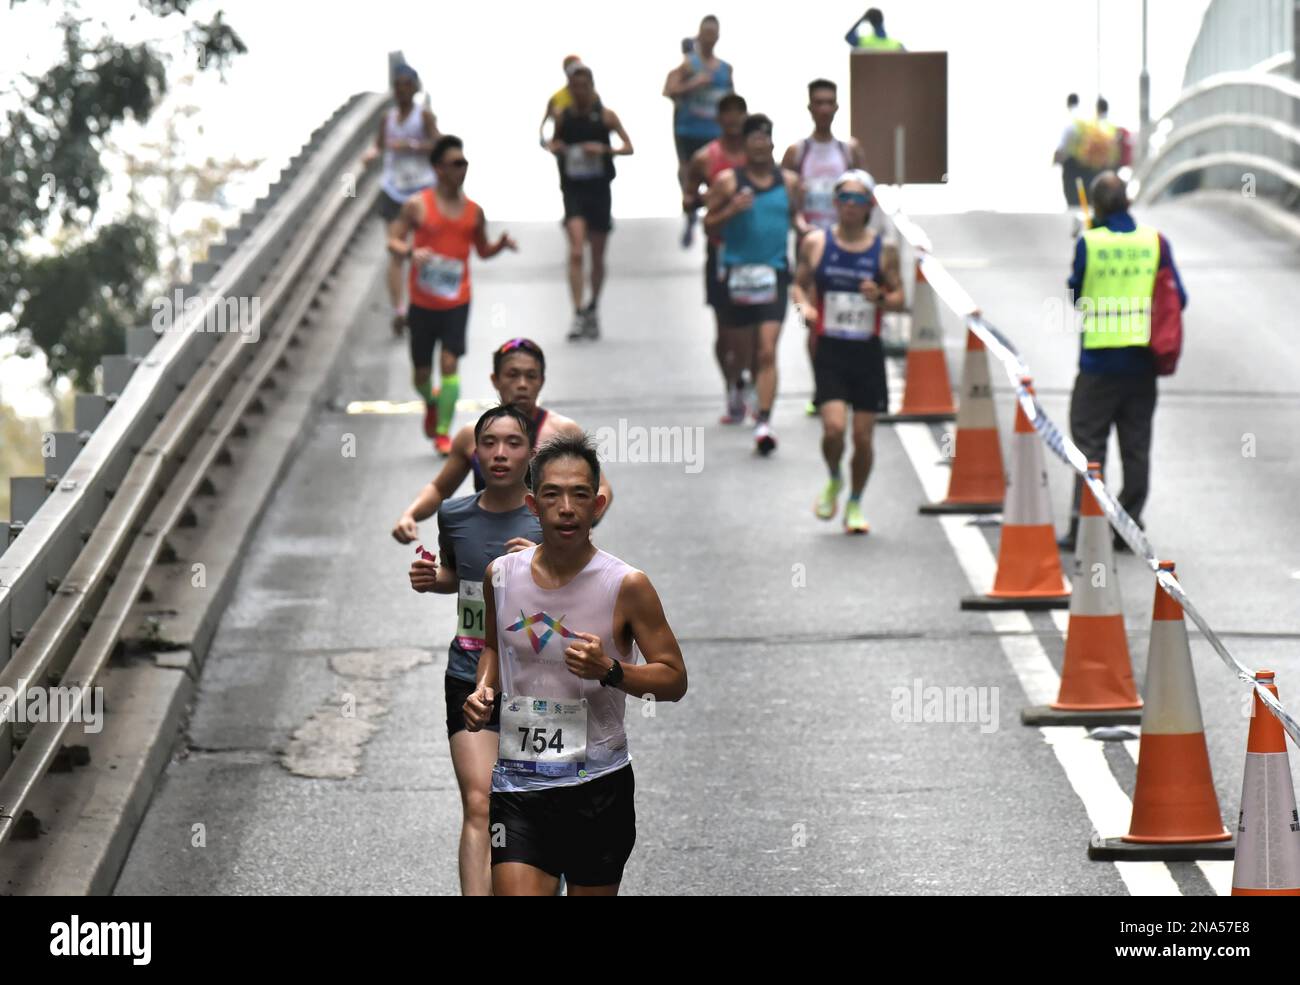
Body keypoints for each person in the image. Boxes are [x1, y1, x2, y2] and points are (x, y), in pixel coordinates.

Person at [463, 433, 688, 896]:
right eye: (552, 494)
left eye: (579, 494)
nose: (566, 507)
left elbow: (673, 679)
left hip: (598, 787)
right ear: (532, 503)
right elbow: (491, 647)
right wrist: (483, 689)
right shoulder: (501, 577)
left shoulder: (626, 585)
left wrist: (610, 669)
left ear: (597, 503)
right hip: (519, 783)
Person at [407, 405, 541, 895]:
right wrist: (432, 579)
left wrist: (537, 562)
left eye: (512, 443)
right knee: (480, 802)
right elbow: (460, 577)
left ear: (530, 453)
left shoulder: (550, 517)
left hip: (539, 683)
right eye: (489, 443)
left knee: (539, 804)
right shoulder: (454, 513)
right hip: (469, 673)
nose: (499, 453)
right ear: (475, 452)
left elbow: (580, 592)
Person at [1058, 172, 1187, 553]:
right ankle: (1128, 523)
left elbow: (1077, 294)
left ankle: (1085, 526)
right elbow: (1178, 298)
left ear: (1095, 207)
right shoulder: (1155, 242)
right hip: (1142, 364)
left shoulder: (1089, 243)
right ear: (1129, 202)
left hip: (1098, 363)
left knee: (1088, 447)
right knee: (1136, 446)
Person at [391, 338, 614, 544]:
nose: (522, 384)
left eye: (531, 376)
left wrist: (583, 524)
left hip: (550, 550)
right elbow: (440, 489)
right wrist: (409, 515)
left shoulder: (563, 431)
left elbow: (601, 486)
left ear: (542, 381)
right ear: (495, 380)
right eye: (512, 375)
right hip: (491, 544)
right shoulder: (472, 436)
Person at [388, 136, 518, 455]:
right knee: (420, 374)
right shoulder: (417, 205)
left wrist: (499, 246)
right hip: (422, 302)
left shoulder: (474, 212)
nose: (462, 169)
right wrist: (410, 252)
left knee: (449, 362)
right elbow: (393, 239)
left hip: (457, 301)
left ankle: (443, 432)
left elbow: (482, 250)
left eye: (464, 163)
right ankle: (431, 402)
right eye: (455, 163)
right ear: (438, 169)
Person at [792, 171, 904, 534]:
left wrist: (882, 297)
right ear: (835, 204)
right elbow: (799, 286)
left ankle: (855, 501)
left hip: (867, 353)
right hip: (830, 349)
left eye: (858, 200)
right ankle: (834, 476)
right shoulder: (816, 243)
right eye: (844, 199)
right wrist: (805, 309)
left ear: (869, 206)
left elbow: (901, 298)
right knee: (834, 429)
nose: (850, 206)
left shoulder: (883, 250)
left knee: (862, 437)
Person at [704, 113, 804, 456]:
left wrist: (805, 230)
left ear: (773, 142)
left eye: (766, 138)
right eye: (754, 139)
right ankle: (736, 384)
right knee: (741, 353)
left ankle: (764, 421)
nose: (761, 145)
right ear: (744, 145)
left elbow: (795, 217)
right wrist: (731, 209)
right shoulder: (729, 182)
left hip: (774, 273)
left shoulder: (789, 182)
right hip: (738, 275)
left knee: (767, 351)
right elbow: (709, 224)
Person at [780, 79, 874, 416]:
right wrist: (800, 226)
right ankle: (823, 387)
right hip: (811, 246)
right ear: (810, 108)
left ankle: (843, 385)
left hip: (845, 245)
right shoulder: (797, 152)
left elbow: (866, 193)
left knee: (846, 317)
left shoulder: (848, 151)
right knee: (814, 320)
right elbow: (782, 197)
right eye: (818, 102)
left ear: (836, 107)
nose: (824, 109)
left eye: (829, 102)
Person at [548, 66, 633, 342]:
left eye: (584, 87)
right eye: (575, 87)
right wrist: (557, 148)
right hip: (573, 190)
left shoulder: (606, 117)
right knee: (575, 251)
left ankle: (593, 306)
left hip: (599, 190)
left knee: (596, 255)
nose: (580, 92)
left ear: (592, 87)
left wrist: (604, 150)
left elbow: (628, 146)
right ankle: (577, 311)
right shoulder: (564, 117)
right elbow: (553, 142)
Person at [684, 92, 752, 423]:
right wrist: (701, 200)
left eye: (738, 114)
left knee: (754, 325)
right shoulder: (706, 158)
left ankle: (748, 379)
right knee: (724, 330)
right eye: (727, 114)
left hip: (754, 250)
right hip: (721, 250)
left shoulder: (757, 156)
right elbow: (688, 194)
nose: (733, 120)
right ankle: (732, 384)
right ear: (719, 119)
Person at [363, 64, 440, 335]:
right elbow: (379, 144)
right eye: (398, 85)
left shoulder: (424, 116)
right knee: (395, 249)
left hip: (421, 189)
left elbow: (438, 145)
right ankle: (399, 310)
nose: (402, 90)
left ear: (415, 87)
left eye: (407, 85)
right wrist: (371, 154)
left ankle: (428, 306)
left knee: (425, 251)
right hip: (394, 188)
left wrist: (415, 146)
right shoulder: (388, 118)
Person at [663, 15, 735, 248]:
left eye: (714, 33)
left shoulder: (725, 69)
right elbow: (669, 90)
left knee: (717, 173)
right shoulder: (688, 65)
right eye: (706, 33)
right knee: (688, 171)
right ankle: (690, 209)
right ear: (700, 35)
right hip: (688, 129)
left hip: (714, 131)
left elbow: (733, 101)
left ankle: (715, 215)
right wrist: (693, 83)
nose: (710, 38)